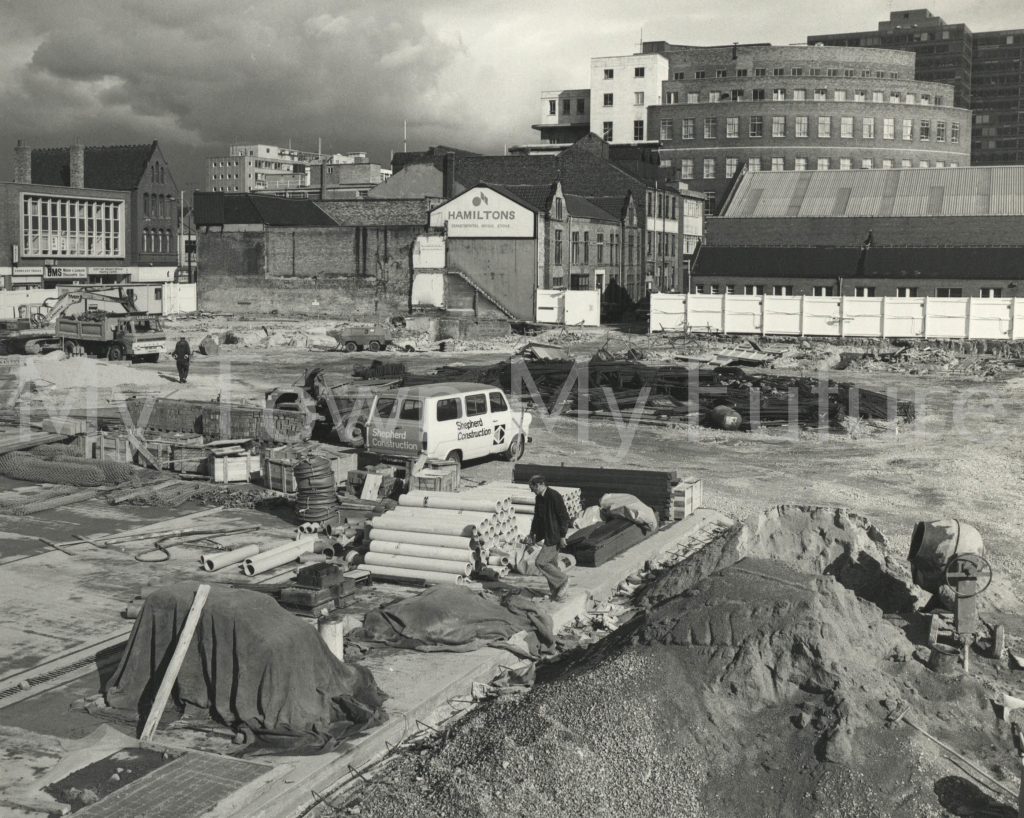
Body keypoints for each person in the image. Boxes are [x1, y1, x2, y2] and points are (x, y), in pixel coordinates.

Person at [528, 474, 570, 602]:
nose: (532, 491)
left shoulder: (554, 496)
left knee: (541, 562)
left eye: (533, 488)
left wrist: (562, 536)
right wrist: (532, 534)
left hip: (555, 536)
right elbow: (537, 518)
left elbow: (564, 517)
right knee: (552, 564)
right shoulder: (539, 498)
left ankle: (563, 580)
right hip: (547, 535)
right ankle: (558, 594)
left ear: (539, 485)